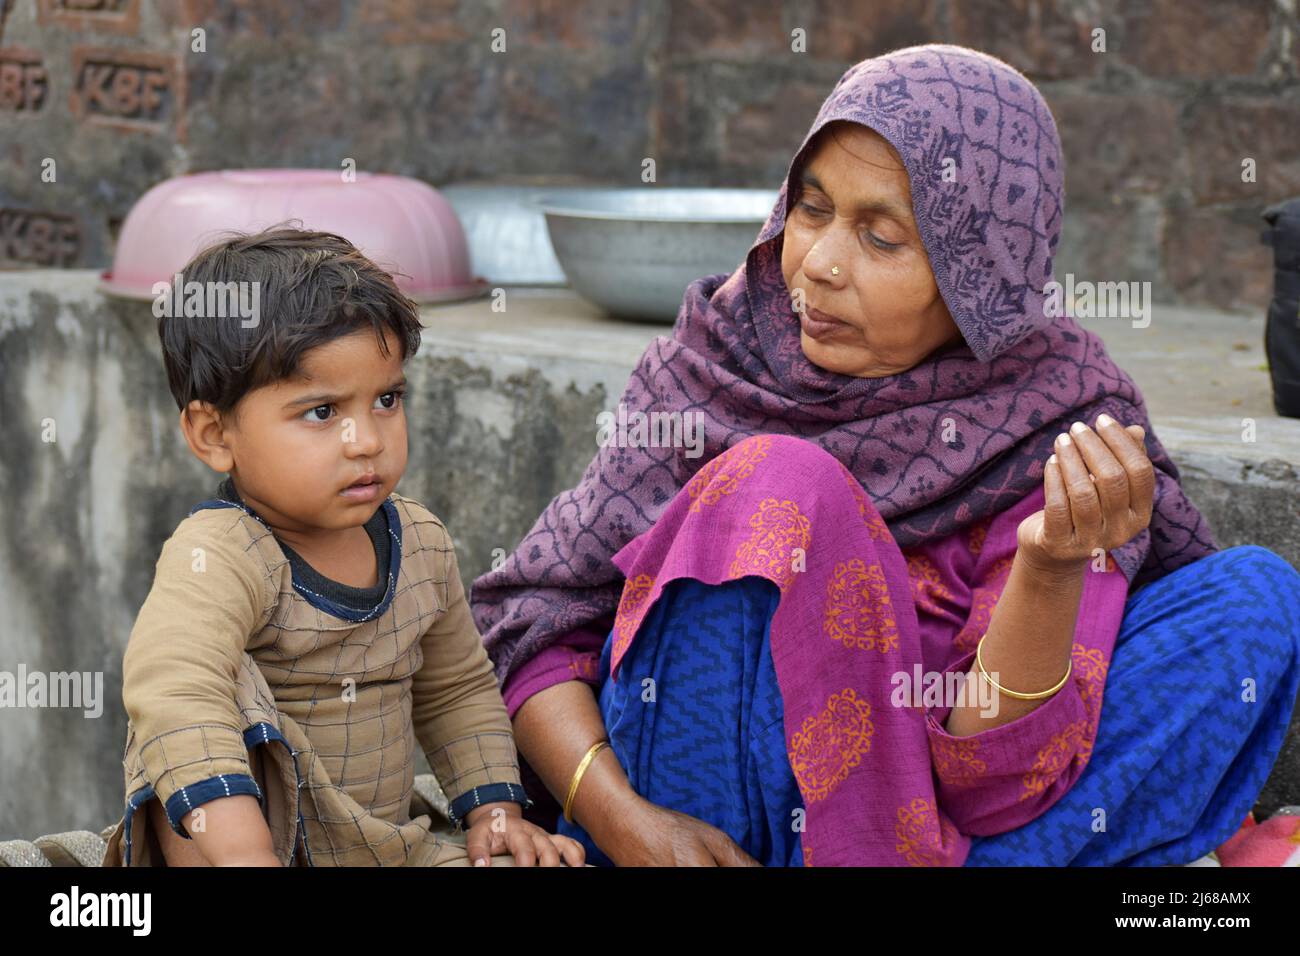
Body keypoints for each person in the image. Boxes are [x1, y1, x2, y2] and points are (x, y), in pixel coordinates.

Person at [470, 44, 1300, 866]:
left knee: (1256, 600)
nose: (820, 266)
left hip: (945, 818)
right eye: (813, 208)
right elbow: (534, 625)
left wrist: (1049, 572)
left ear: (982, 272)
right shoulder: (711, 369)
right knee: (783, 481)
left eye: (882, 237)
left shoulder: (1060, 422)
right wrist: (624, 824)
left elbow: (995, 785)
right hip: (708, 815)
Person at [101, 227, 584, 868]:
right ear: (215, 433)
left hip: (382, 848)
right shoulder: (221, 553)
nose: (366, 440)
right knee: (202, 688)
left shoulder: (419, 542)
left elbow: (457, 690)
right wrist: (248, 858)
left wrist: (496, 814)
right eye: (323, 411)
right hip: (252, 851)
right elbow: (173, 691)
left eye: (386, 399)